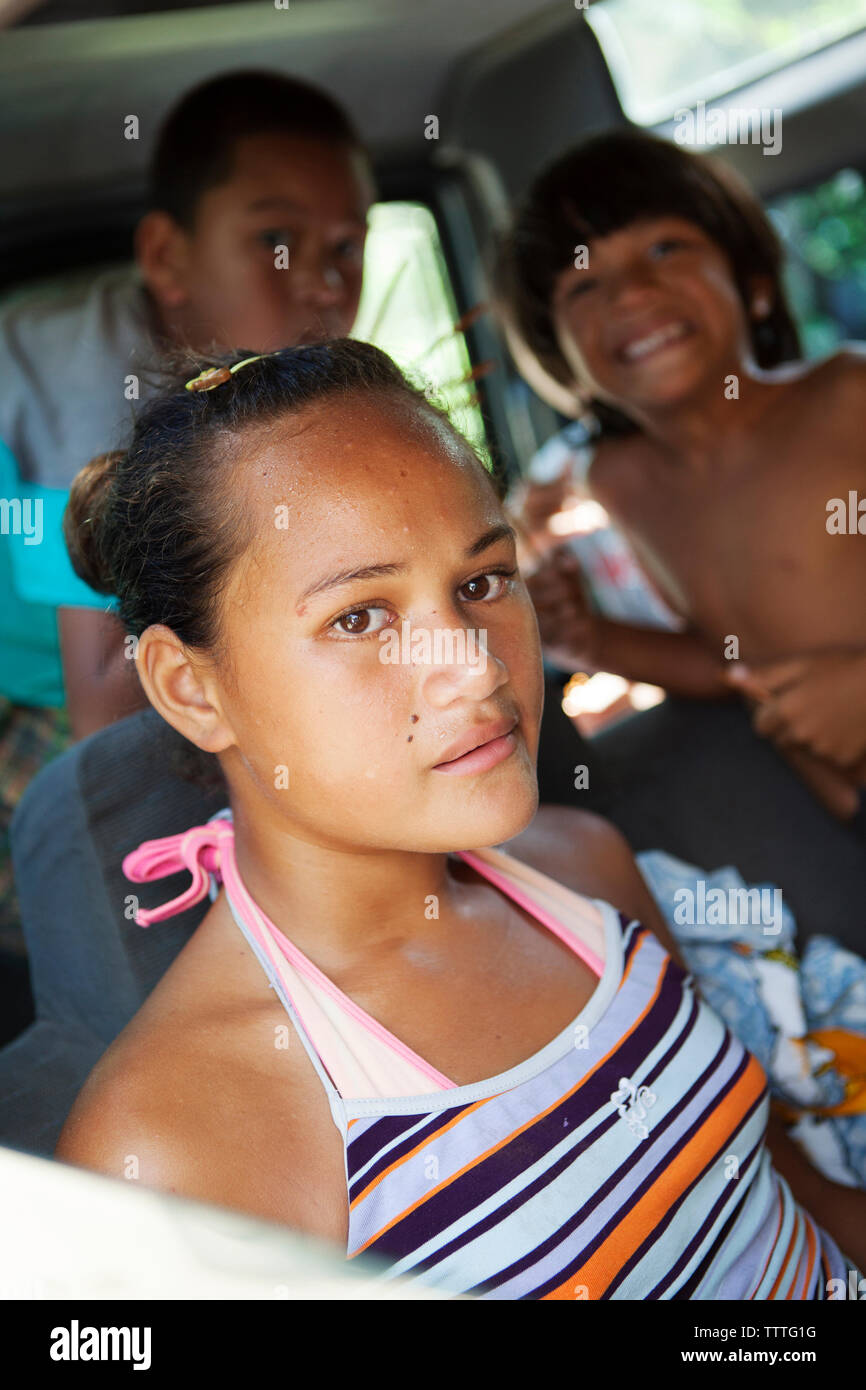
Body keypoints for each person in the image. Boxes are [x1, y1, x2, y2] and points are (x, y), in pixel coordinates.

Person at [53, 341, 864, 1297]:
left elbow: (789, 1200)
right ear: (192, 689)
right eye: (361, 617)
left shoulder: (580, 870)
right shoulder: (170, 1145)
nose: (478, 667)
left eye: (482, 583)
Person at [0, 69, 373, 939]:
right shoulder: (90, 386)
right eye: (277, 239)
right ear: (168, 258)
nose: (321, 282)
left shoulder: (254, 390)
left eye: (345, 248)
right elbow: (107, 710)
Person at [494, 130, 866, 934]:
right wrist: (592, 640)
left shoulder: (848, 403)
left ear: (757, 286)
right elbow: (736, 666)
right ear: (563, 362)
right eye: (583, 286)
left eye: (666, 248)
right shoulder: (619, 484)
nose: (629, 291)